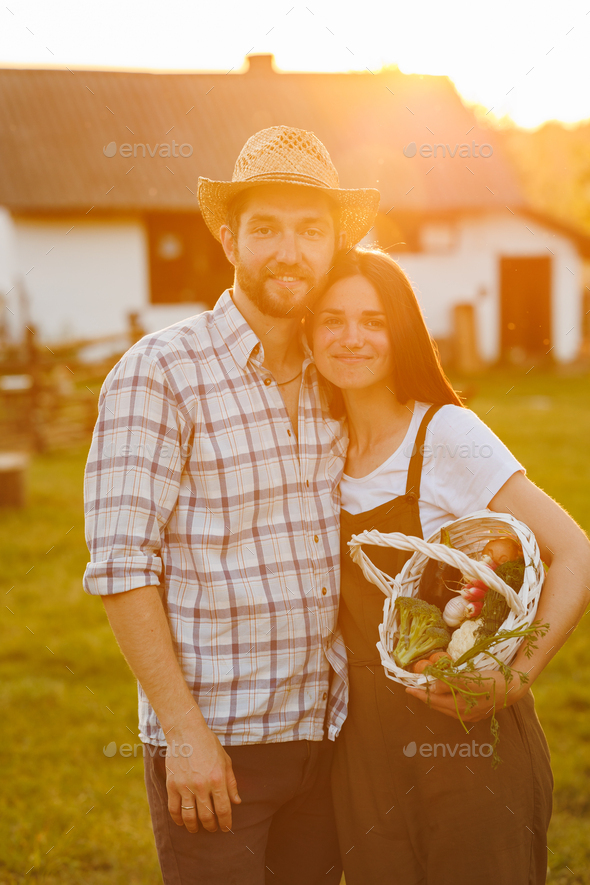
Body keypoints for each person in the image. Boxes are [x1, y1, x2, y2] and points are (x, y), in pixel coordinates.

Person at [83, 126, 379, 884]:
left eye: (311, 230)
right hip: (216, 746)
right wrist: (184, 734)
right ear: (228, 239)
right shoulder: (159, 373)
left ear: (332, 244)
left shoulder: (336, 377)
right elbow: (121, 567)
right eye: (267, 229)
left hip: (323, 736)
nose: (290, 250)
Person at [311, 246, 590, 885]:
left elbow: (575, 552)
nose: (352, 338)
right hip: (363, 752)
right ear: (310, 331)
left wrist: (516, 678)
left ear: (402, 332)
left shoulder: (445, 434)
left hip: (467, 740)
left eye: (374, 322)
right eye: (332, 320)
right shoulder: (316, 447)